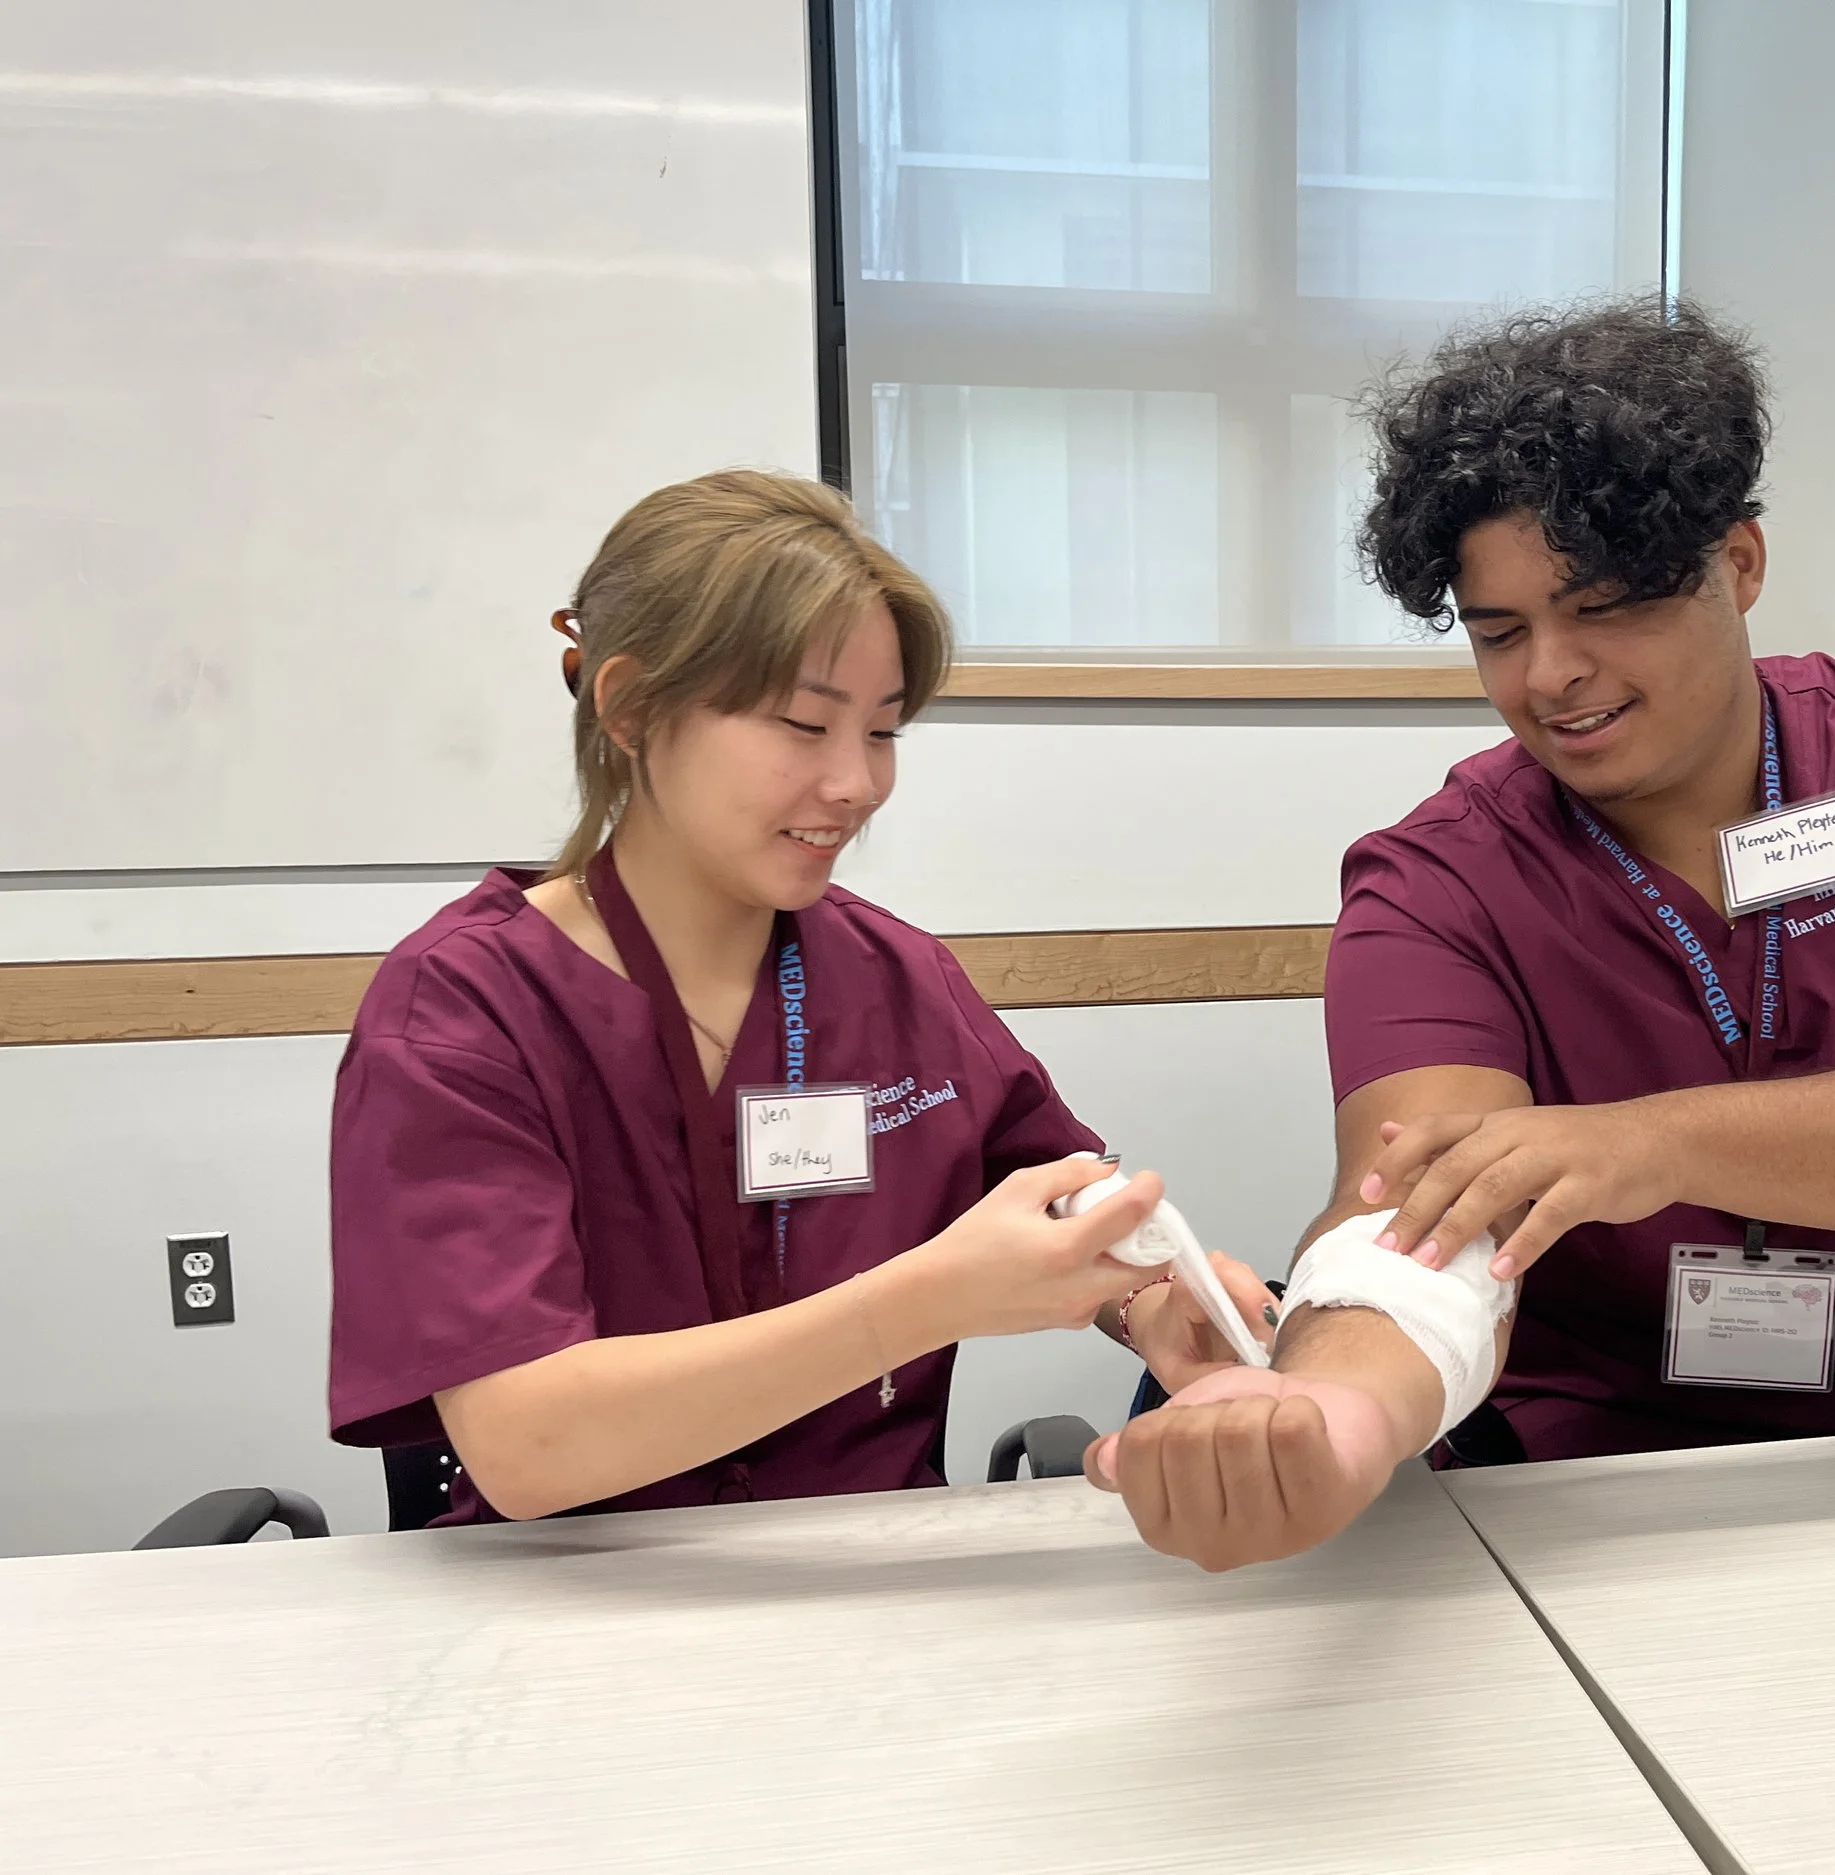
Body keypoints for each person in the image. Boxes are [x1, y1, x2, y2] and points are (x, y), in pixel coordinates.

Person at [1087, 299, 1835, 1570]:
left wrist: (1650, 1143)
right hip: (1610, 1476)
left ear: (1740, 562)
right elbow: (1416, 1223)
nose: (1551, 674)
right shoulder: (1439, 882)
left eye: (1601, 607)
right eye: (1499, 633)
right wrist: (1330, 1417)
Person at [329, 470, 1269, 1523]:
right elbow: (526, 1445)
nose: (857, 784)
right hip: (574, 1609)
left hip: (873, 1584)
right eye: (802, 725)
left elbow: (1068, 1201)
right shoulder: (462, 1013)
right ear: (631, 707)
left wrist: (1153, 1301)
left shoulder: (898, 981)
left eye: (883, 731)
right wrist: (922, 1301)